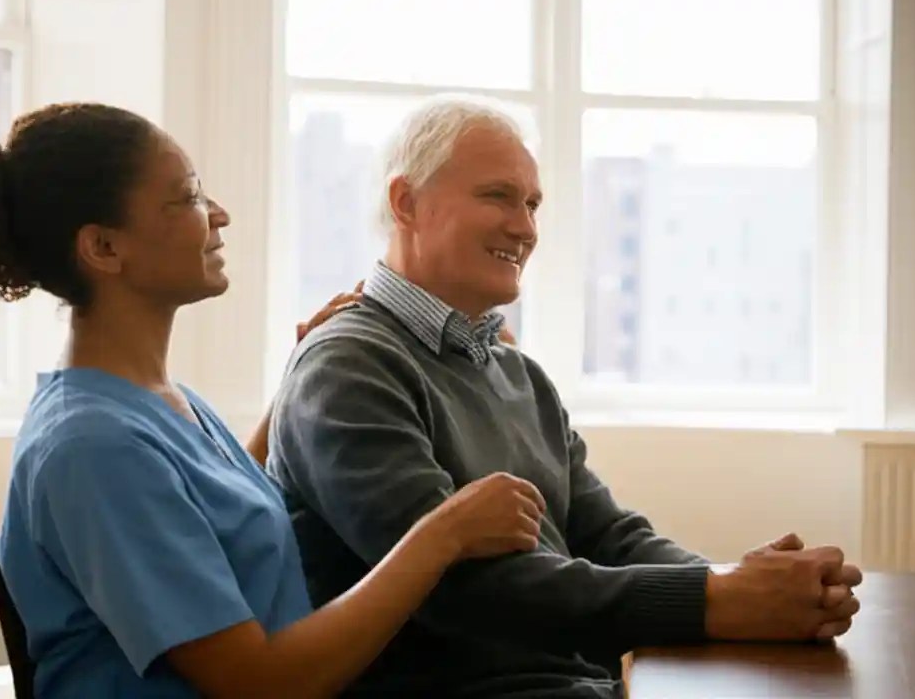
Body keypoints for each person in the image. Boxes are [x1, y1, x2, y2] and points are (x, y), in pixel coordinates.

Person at [0, 102, 549, 698]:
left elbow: (225, 512)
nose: (218, 214)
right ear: (104, 248)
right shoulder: (93, 447)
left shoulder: (162, 402)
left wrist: (295, 389)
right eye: (189, 198)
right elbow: (262, 684)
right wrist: (443, 533)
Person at [268, 96, 864, 697]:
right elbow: (464, 589)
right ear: (406, 202)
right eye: (497, 196)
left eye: (531, 204)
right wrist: (718, 600)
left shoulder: (517, 373)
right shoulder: (347, 367)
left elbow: (608, 534)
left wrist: (742, 583)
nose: (525, 228)